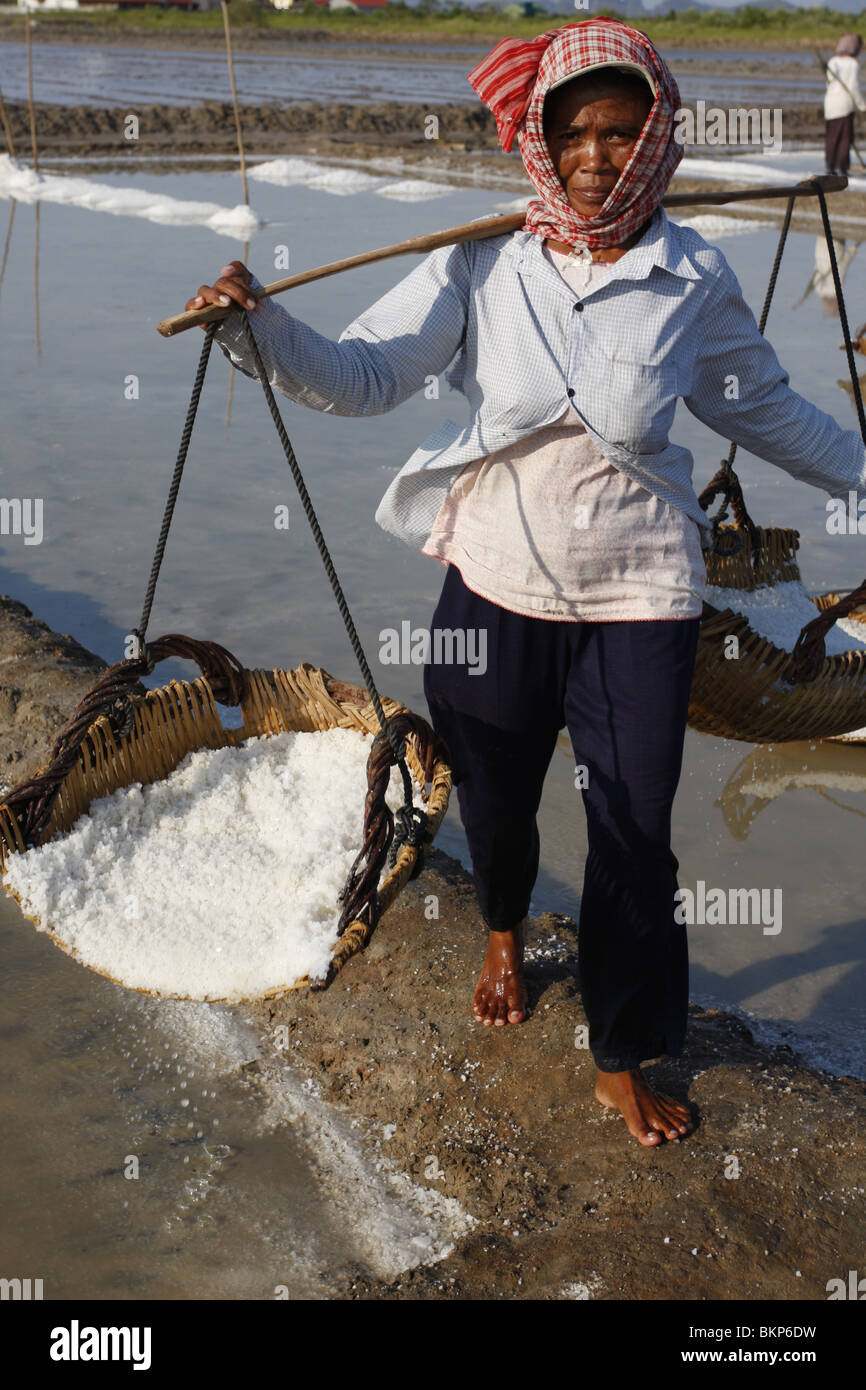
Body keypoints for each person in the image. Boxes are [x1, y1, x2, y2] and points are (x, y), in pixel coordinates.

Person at [186, 18, 866, 1146]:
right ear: (540, 139)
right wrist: (258, 329)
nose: (598, 153)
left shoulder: (689, 275)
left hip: (639, 594)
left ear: (656, 138)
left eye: (621, 129)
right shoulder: (481, 259)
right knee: (494, 798)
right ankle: (502, 922)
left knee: (634, 832)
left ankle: (621, 1046)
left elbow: (769, 414)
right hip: (494, 589)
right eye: (575, 131)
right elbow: (364, 377)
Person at [824, 32, 866, 176]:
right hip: (844, 105)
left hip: (830, 104)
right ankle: (842, 167)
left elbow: (829, 83)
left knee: (831, 136)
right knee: (844, 138)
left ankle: (830, 166)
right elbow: (854, 87)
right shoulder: (853, 64)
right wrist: (862, 105)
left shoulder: (832, 61)